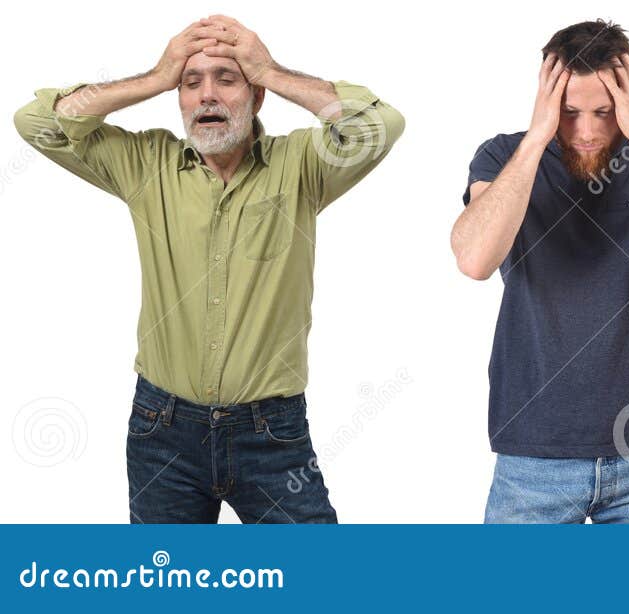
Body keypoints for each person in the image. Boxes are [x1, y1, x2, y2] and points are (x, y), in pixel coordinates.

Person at [14, 15, 405, 523]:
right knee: (166, 587)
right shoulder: (144, 164)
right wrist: (155, 76)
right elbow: (37, 122)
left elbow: (380, 125)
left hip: (272, 434)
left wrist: (272, 70)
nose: (206, 96)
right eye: (190, 83)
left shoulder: (303, 165)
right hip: (163, 432)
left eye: (227, 78)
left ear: (256, 96)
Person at [452, 20, 629, 524]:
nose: (588, 131)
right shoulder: (502, 156)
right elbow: (473, 260)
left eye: (604, 112)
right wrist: (536, 138)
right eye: (569, 113)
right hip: (534, 447)